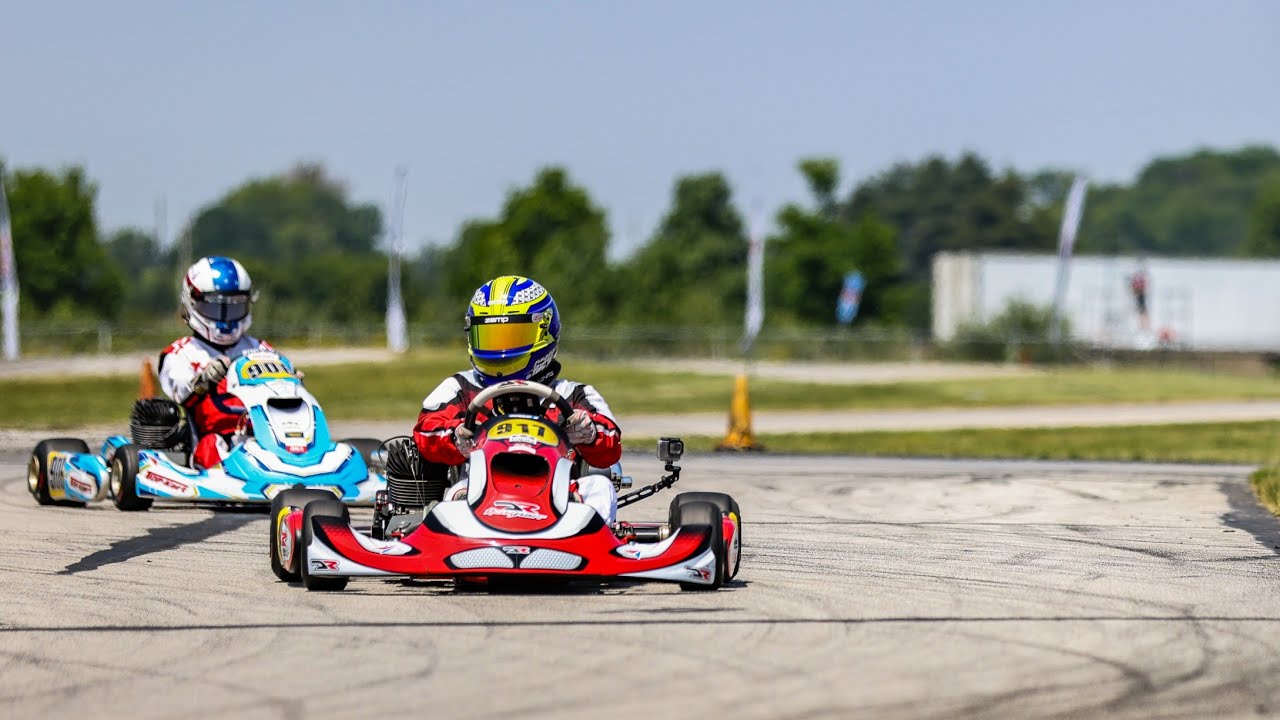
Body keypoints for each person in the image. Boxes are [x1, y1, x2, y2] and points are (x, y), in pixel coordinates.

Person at [413, 275, 622, 524]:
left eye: (511, 337)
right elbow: (425, 430)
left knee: (600, 487)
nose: (500, 351)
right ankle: (458, 541)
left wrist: (588, 432)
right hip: (480, 491)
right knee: (456, 495)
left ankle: (589, 543)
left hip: (560, 495)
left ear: (544, 332)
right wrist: (456, 436)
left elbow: (610, 443)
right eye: (490, 337)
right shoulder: (461, 387)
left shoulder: (573, 394)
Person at [157, 256, 286, 469]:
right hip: (217, 440)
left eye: (234, 308)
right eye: (215, 308)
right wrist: (203, 379)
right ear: (192, 303)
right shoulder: (181, 353)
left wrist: (291, 381)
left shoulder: (260, 348)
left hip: (265, 435)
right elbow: (179, 390)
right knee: (213, 446)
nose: (226, 319)